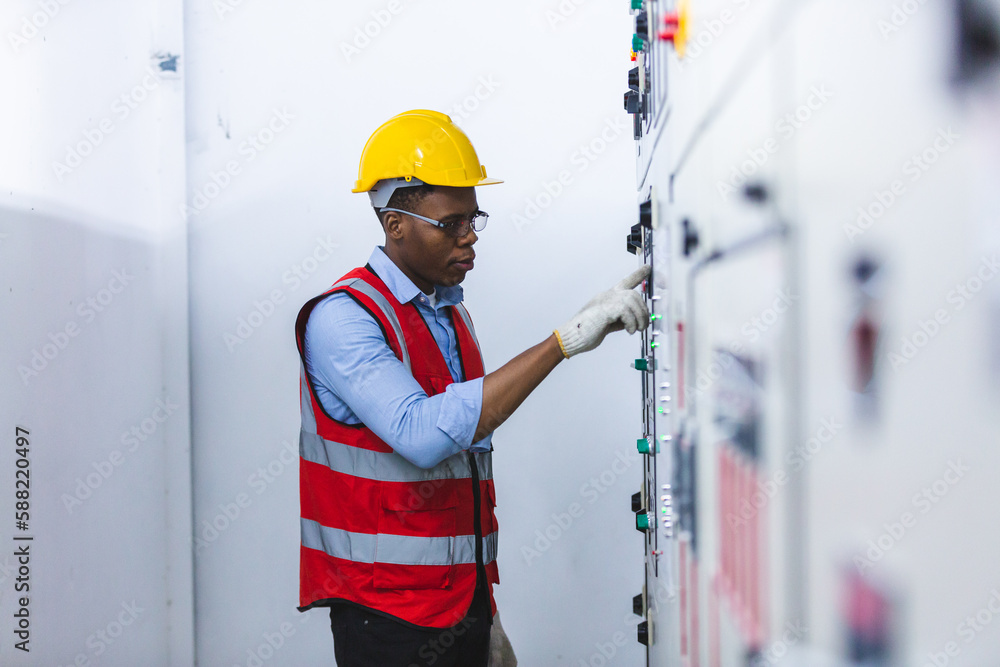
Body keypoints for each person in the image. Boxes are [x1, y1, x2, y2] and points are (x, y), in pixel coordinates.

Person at [293, 109, 650, 667]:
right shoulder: (344, 318)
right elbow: (421, 434)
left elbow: (465, 461)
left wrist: (485, 613)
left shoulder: (448, 314)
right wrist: (562, 342)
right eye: (452, 223)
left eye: (474, 218)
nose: (470, 236)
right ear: (395, 225)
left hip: (459, 604)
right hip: (386, 617)